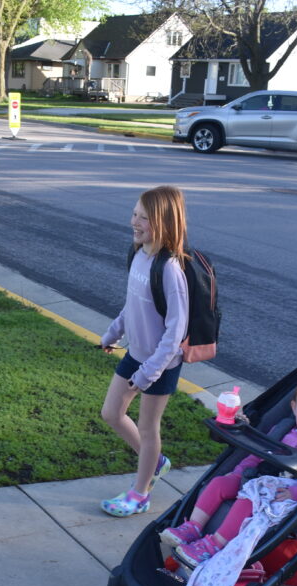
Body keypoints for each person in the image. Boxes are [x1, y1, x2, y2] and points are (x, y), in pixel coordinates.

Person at [161, 374, 297, 568]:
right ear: (294, 407)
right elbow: (258, 454)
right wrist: (239, 471)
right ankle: (193, 527)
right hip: (258, 475)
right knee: (219, 483)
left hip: (282, 490)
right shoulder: (282, 429)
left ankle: (214, 545)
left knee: (247, 500)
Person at [98, 186, 190, 517]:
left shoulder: (170, 270)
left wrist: (150, 371)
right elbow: (133, 304)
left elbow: (176, 330)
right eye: (134, 214)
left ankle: (140, 494)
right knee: (111, 413)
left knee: (148, 428)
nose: (134, 222)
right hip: (136, 354)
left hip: (160, 364)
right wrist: (113, 332)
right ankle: (155, 462)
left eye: (144, 218)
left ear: (164, 222)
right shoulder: (138, 255)